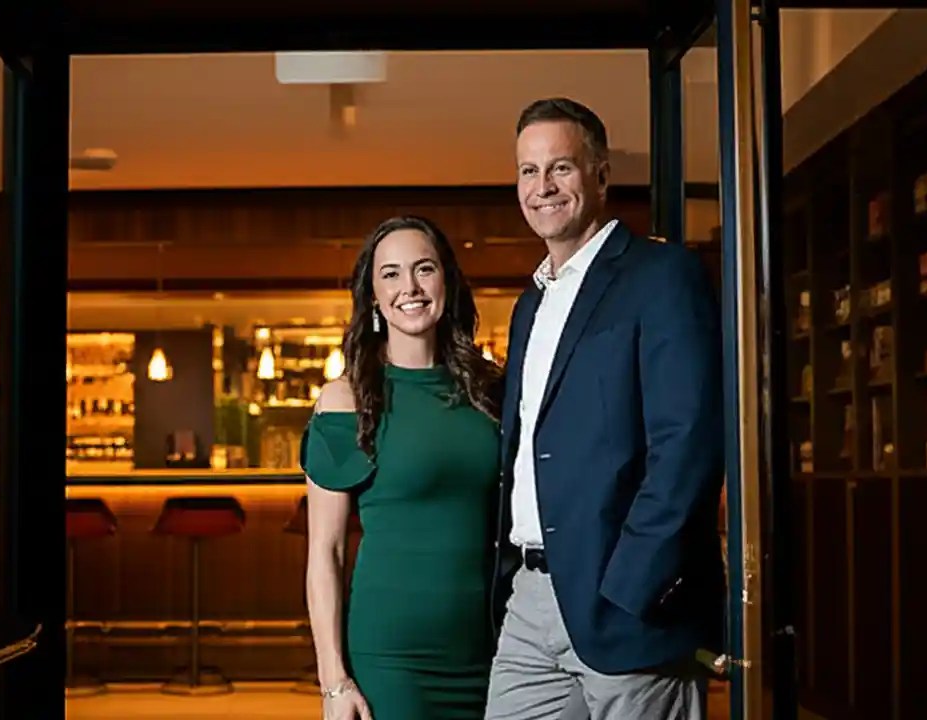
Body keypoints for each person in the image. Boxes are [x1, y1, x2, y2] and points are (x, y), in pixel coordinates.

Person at [485, 97, 725, 719]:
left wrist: (633, 585)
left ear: (599, 173)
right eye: (528, 172)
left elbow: (689, 444)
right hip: (532, 598)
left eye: (560, 168)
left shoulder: (661, 275)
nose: (543, 188)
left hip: (624, 605)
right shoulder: (528, 306)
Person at [302, 215, 504, 720]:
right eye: (390, 274)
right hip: (391, 657)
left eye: (424, 269)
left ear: (446, 281)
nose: (409, 288)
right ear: (372, 295)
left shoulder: (491, 392)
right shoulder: (344, 401)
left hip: (493, 651)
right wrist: (333, 681)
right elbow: (325, 552)